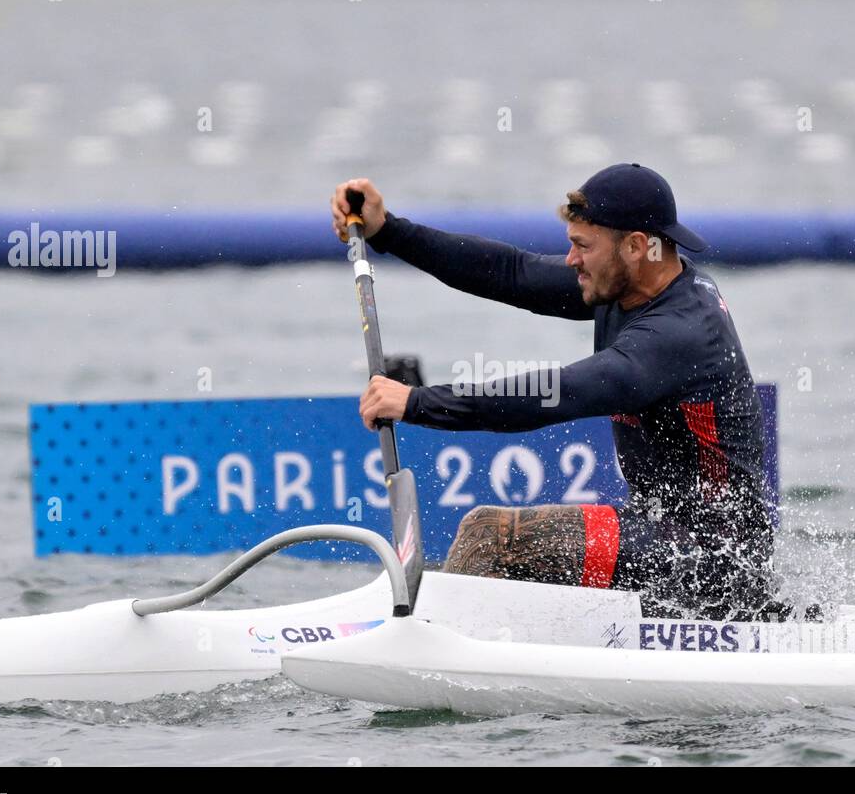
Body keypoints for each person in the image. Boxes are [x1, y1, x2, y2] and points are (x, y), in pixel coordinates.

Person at [331, 163, 787, 621]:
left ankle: (435, 651)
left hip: (718, 563)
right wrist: (387, 231)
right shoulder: (625, 283)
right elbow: (509, 272)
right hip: (662, 536)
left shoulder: (682, 330)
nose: (571, 261)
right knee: (507, 546)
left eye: (582, 247)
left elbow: (558, 392)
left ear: (634, 246)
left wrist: (417, 402)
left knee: (491, 536)